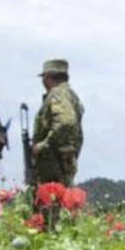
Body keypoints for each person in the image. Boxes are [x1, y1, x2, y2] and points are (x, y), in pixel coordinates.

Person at [32, 59, 84, 189]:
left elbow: (66, 121)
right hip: (63, 158)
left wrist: (43, 145)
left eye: (43, 77)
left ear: (48, 76)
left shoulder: (57, 94)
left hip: (54, 160)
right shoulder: (70, 95)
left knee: (52, 200)